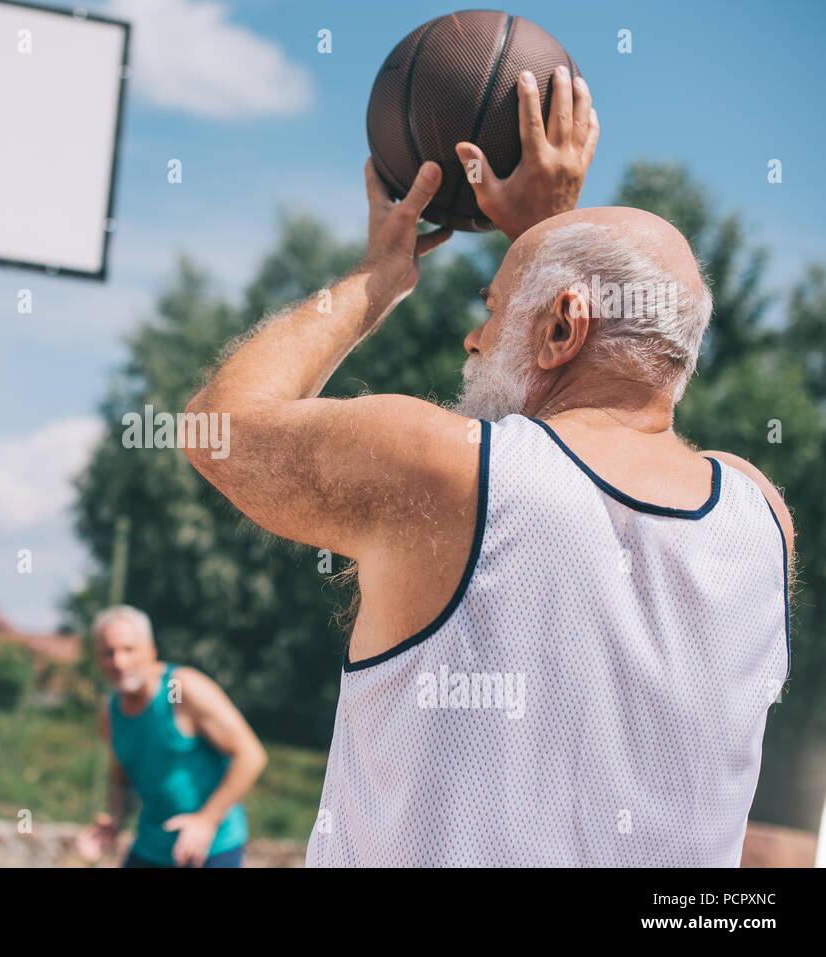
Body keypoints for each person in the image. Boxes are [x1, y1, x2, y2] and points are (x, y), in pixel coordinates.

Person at [181, 68, 793, 866]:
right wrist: (553, 239)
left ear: (561, 328)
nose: (474, 340)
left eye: (493, 309)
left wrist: (376, 280)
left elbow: (218, 427)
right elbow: (630, 434)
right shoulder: (758, 517)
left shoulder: (451, 471)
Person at [77, 605, 267, 867]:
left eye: (128, 649)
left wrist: (206, 820)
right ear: (98, 659)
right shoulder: (109, 713)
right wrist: (115, 823)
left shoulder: (184, 688)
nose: (119, 662)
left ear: (151, 650)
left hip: (212, 848)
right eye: (109, 653)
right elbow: (121, 782)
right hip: (151, 847)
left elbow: (251, 755)